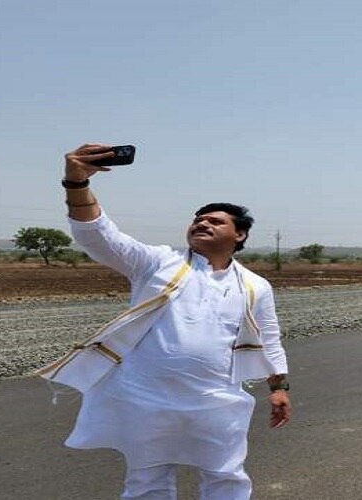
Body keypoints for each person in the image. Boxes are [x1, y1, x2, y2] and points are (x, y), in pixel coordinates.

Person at [37, 143, 291, 500]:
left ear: (240, 234)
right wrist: (76, 183)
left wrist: (279, 388)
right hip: (147, 397)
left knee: (226, 476)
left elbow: (269, 338)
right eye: (198, 219)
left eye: (215, 221)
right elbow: (98, 235)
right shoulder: (158, 263)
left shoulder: (254, 285)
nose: (202, 223)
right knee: (147, 481)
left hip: (216, 398)